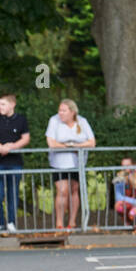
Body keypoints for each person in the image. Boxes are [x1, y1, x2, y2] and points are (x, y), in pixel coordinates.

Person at [0, 91, 30, 233]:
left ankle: (11, 222)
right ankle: (0, 223)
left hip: (15, 162)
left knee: (13, 193)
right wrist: (0, 147)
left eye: (3, 104)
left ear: (12, 104)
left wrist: (12, 147)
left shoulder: (21, 119)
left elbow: (26, 138)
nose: (0, 107)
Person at [46, 98, 95, 230]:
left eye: (64, 110)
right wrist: (68, 147)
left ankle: (72, 221)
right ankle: (59, 223)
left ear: (72, 112)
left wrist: (75, 145)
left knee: (74, 190)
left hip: (77, 163)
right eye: (59, 110)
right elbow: (51, 143)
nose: (60, 113)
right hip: (59, 163)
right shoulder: (54, 121)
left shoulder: (82, 122)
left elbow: (91, 142)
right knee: (62, 190)